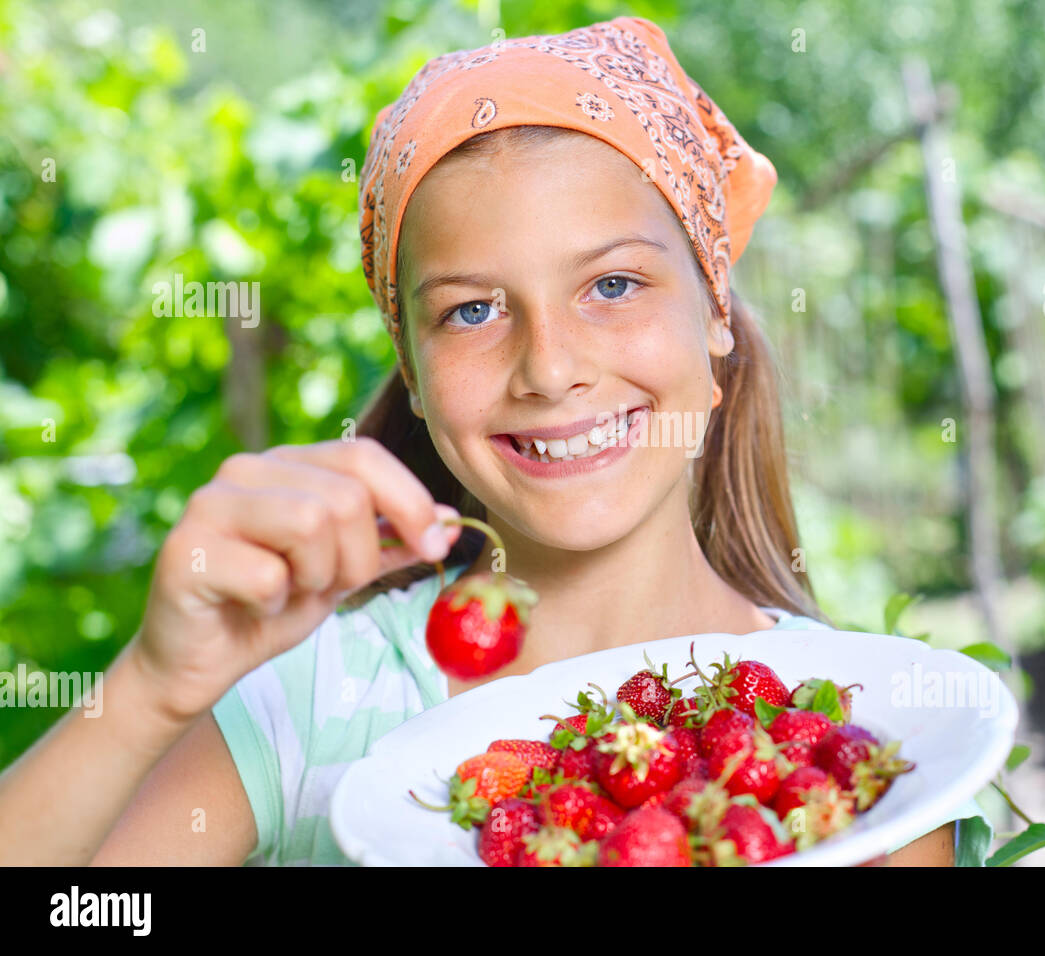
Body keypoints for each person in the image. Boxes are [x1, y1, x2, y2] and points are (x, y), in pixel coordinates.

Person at [0, 16, 990, 866]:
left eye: (612, 285)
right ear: (414, 369)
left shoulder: (857, 739)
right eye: (473, 310)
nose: (550, 368)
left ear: (715, 308)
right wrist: (147, 691)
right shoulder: (313, 699)